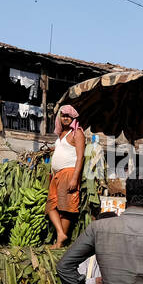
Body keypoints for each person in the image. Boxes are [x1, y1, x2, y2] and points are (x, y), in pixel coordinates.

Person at [47, 104, 86, 247]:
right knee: (51, 205)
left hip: (69, 173)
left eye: (68, 116)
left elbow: (80, 157)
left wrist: (75, 178)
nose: (65, 118)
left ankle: (59, 241)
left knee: (65, 209)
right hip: (57, 174)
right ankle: (61, 234)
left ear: (73, 117)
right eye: (63, 115)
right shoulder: (62, 134)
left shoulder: (77, 133)